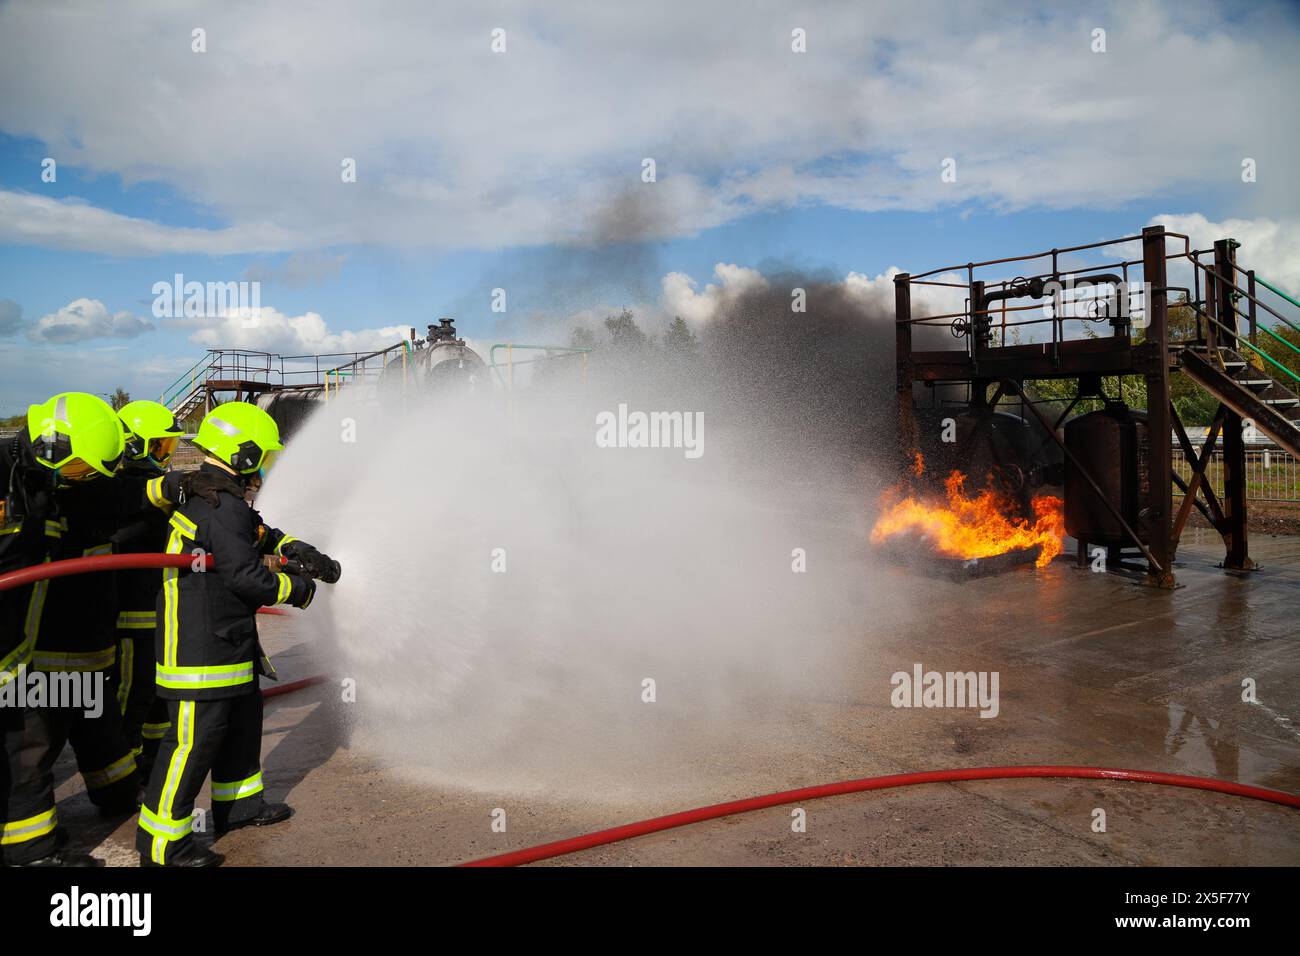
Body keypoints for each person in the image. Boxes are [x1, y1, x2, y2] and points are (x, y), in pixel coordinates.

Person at [136, 401, 338, 867]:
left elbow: (260, 534)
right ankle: (163, 845)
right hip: (199, 648)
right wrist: (301, 589)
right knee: (192, 743)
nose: (263, 468)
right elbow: (247, 576)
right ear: (242, 453)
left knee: (242, 725)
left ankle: (239, 805)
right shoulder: (220, 506)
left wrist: (299, 549)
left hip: (226, 640)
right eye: (262, 457)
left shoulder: (220, 498)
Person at [2, 392, 137, 866]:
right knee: (28, 750)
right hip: (13, 656)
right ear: (52, 447)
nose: (80, 484)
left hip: (64, 643)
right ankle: (30, 851)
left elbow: (108, 496)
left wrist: (170, 488)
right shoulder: (10, 490)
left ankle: (116, 791)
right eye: (78, 471)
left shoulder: (43, 477)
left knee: (93, 720)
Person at [111, 401, 184, 779]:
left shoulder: (154, 488)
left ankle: (152, 758)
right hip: (127, 617)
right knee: (131, 693)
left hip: (157, 611)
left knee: (157, 695)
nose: (165, 455)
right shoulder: (117, 487)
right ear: (132, 445)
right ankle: (126, 767)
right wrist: (182, 485)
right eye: (159, 446)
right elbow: (145, 496)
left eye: (168, 446)